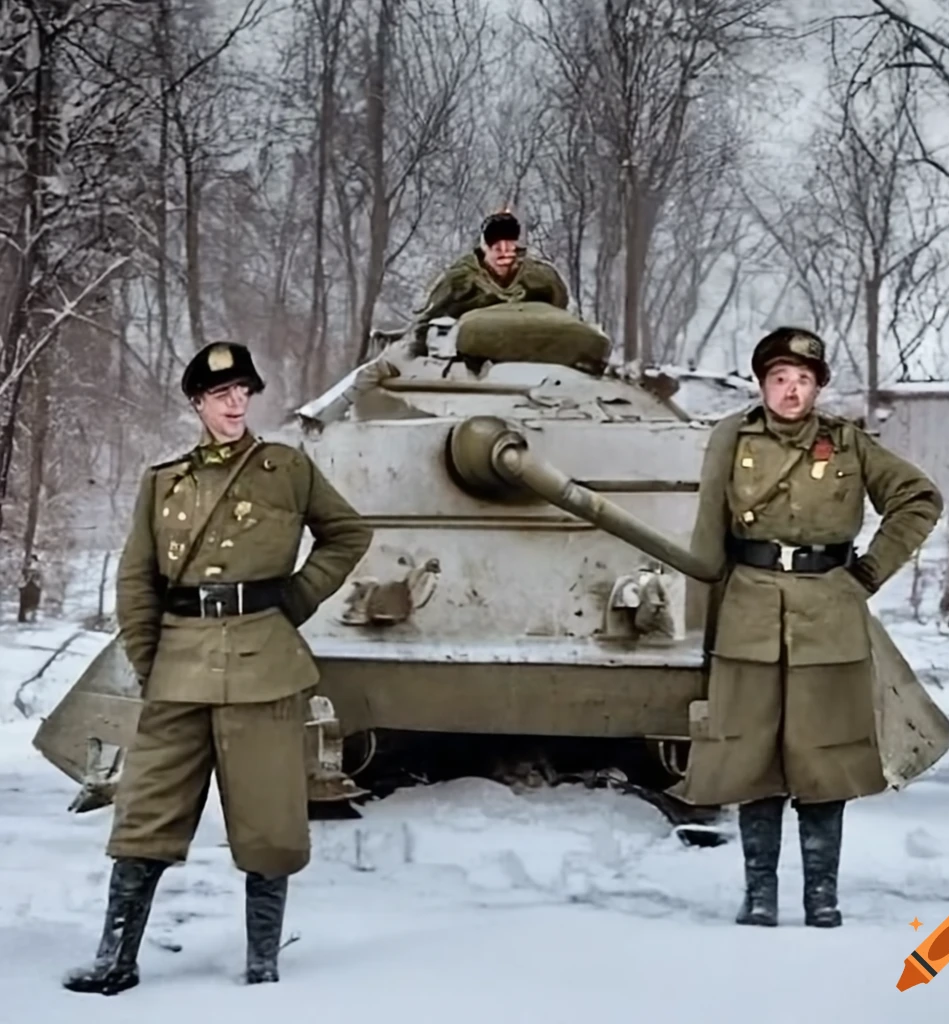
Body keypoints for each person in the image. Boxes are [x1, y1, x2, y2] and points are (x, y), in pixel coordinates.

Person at [63, 341, 373, 994]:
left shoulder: (286, 469)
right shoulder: (163, 481)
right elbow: (136, 581)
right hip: (178, 667)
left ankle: (263, 965)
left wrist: (294, 597)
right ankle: (116, 958)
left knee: (269, 823)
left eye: (243, 393)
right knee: (143, 815)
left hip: (263, 664)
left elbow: (347, 532)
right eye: (221, 395)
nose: (235, 404)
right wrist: (150, 659)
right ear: (198, 404)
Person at [679, 327, 943, 928]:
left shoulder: (848, 444)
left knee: (823, 759)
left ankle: (821, 896)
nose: (791, 390)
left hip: (829, 614)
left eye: (803, 380)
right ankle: (760, 895)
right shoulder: (731, 437)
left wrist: (870, 572)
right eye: (779, 378)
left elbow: (919, 498)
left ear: (818, 387)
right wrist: (705, 625)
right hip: (748, 612)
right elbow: (707, 540)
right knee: (753, 758)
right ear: (763, 383)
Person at [412, 209, 570, 344]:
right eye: (497, 249)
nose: (504, 255)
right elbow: (428, 320)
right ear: (485, 249)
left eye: (509, 248)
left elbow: (560, 314)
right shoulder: (459, 280)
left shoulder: (541, 278)